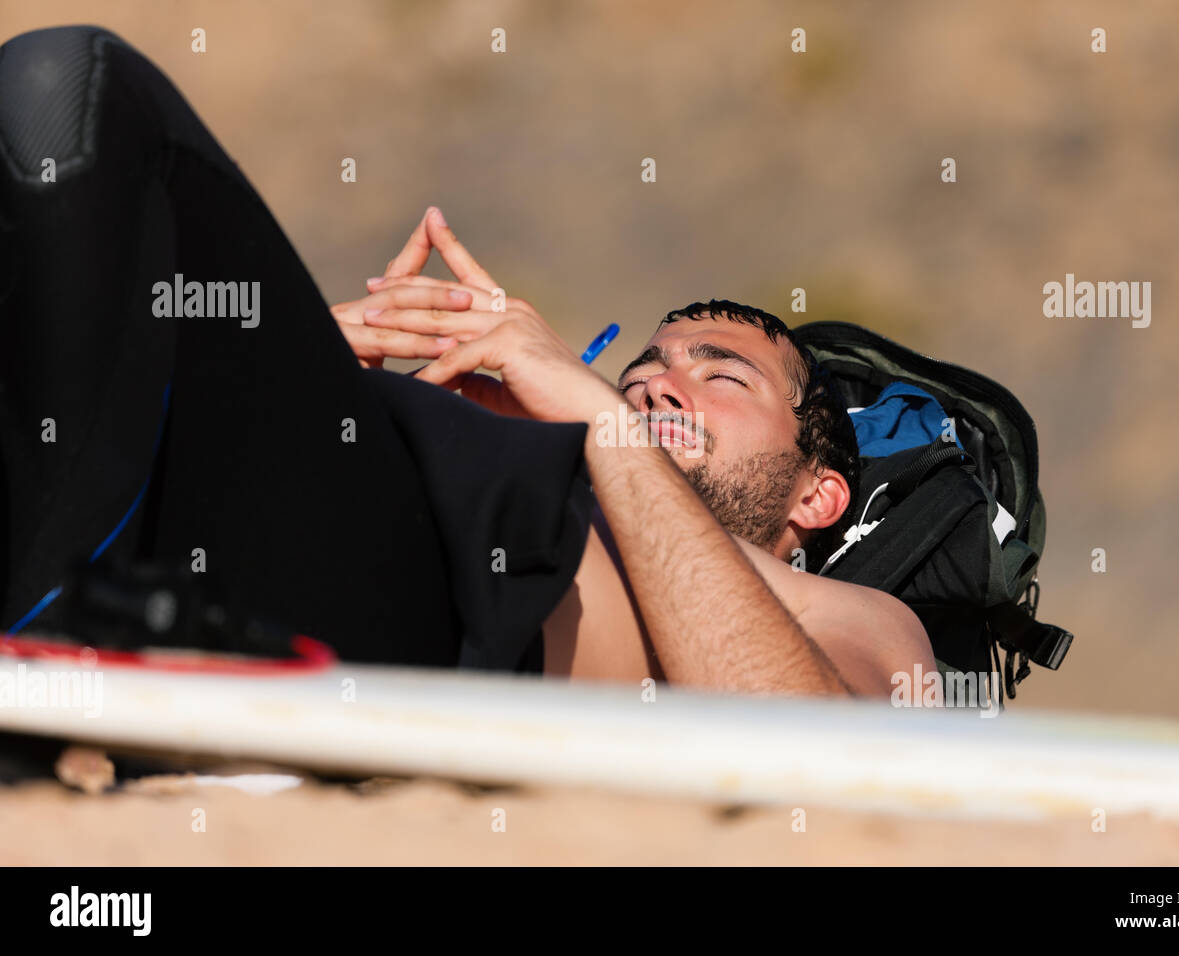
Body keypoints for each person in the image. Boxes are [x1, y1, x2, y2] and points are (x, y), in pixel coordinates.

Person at [0, 25, 931, 696]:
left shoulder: (846, 617)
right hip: (254, 517)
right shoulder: (557, 458)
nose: (656, 380)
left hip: (405, 608)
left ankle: (39, 633)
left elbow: (808, 756)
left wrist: (604, 424)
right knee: (71, 192)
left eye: (722, 374)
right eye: (642, 366)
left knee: (71, 85)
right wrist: (290, 355)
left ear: (817, 497)